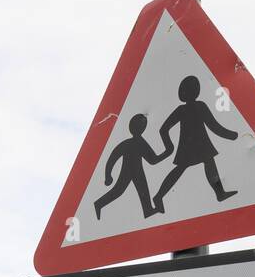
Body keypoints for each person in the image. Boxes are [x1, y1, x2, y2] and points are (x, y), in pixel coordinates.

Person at [152, 75, 239, 212]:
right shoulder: (192, 107)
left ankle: (220, 193)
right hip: (191, 145)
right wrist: (169, 146)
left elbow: (213, 125)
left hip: (198, 144)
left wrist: (230, 135)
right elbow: (164, 129)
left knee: (206, 163)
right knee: (184, 169)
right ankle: (158, 196)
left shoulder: (196, 106)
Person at [93, 113, 168, 220]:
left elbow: (152, 160)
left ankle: (148, 210)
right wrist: (108, 175)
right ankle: (98, 204)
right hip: (128, 171)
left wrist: (167, 153)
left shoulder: (137, 142)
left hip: (137, 171)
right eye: (143, 125)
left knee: (142, 190)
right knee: (119, 191)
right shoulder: (133, 143)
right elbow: (113, 157)